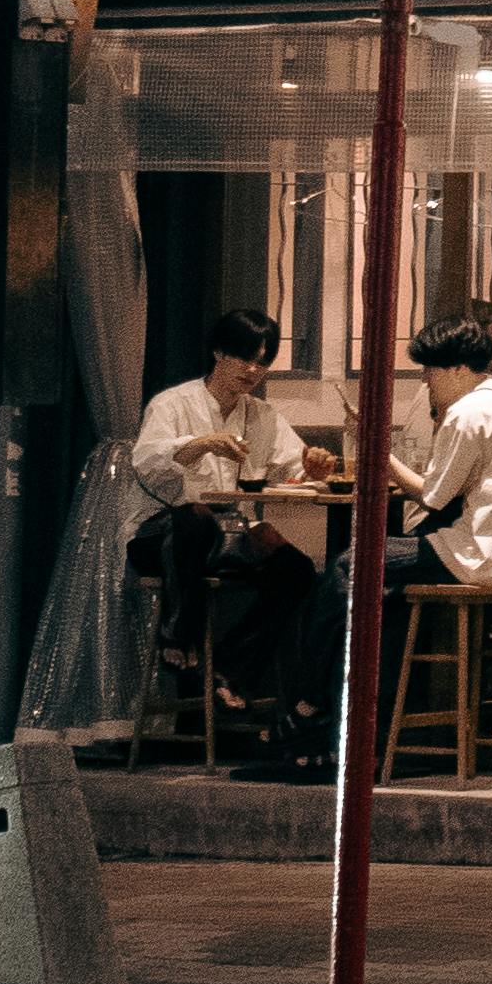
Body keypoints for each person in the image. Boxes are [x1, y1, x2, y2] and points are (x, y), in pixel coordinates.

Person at [130, 306, 322, 749]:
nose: (253, 371)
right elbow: (147, 465)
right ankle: (177, 634)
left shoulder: (263, 415)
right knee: (195, 517)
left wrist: (313, 463)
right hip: (160, 532)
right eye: (243, 359)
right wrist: (200, 444)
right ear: (219, 352)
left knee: (295, 569)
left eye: (262, 362)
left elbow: (291, 467)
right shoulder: (173, 403)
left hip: (227, 531)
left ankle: (230, 668)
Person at [376, 311, 492, 757]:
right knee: (382, 584)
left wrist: (378, 453)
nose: (426, 382)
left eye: (430, 371)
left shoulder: (468, 411)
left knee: (353, 565)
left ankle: (327, 715)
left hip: (480, 555)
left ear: (457, 369)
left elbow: (432, 496)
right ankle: (384, 719)